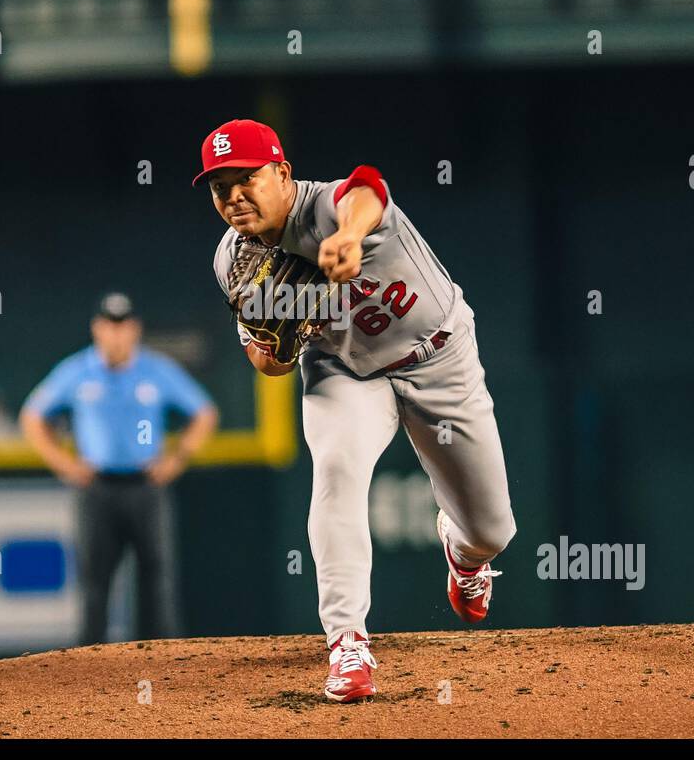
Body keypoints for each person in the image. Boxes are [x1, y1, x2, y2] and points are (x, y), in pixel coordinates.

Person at [199, 119, 516, 703]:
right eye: (221, 188)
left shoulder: (329, 207)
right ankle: (347, 643)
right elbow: (264, 361)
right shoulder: (231, 261)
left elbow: (368, 186)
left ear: (283, 173)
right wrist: (279, 345)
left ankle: (464, 553)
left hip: (437, 357)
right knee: (337, 470)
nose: (235, 196)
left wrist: (347, 236)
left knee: (493, 529)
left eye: (248, 178)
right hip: (344, 371)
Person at [20, 292, 219, 645]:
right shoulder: (77, 371)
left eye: (123, 325)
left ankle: (164, 666)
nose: (116, 334)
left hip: (145, 486)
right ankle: (89, 673)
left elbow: (204, 412)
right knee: (94, 583)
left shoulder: (156, 370)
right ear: (97, 329)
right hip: (97, 487)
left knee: (158, 580)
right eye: (109, 325)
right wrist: (63, 463)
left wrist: (178, 457)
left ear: (135, 329)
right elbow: (33, 415)